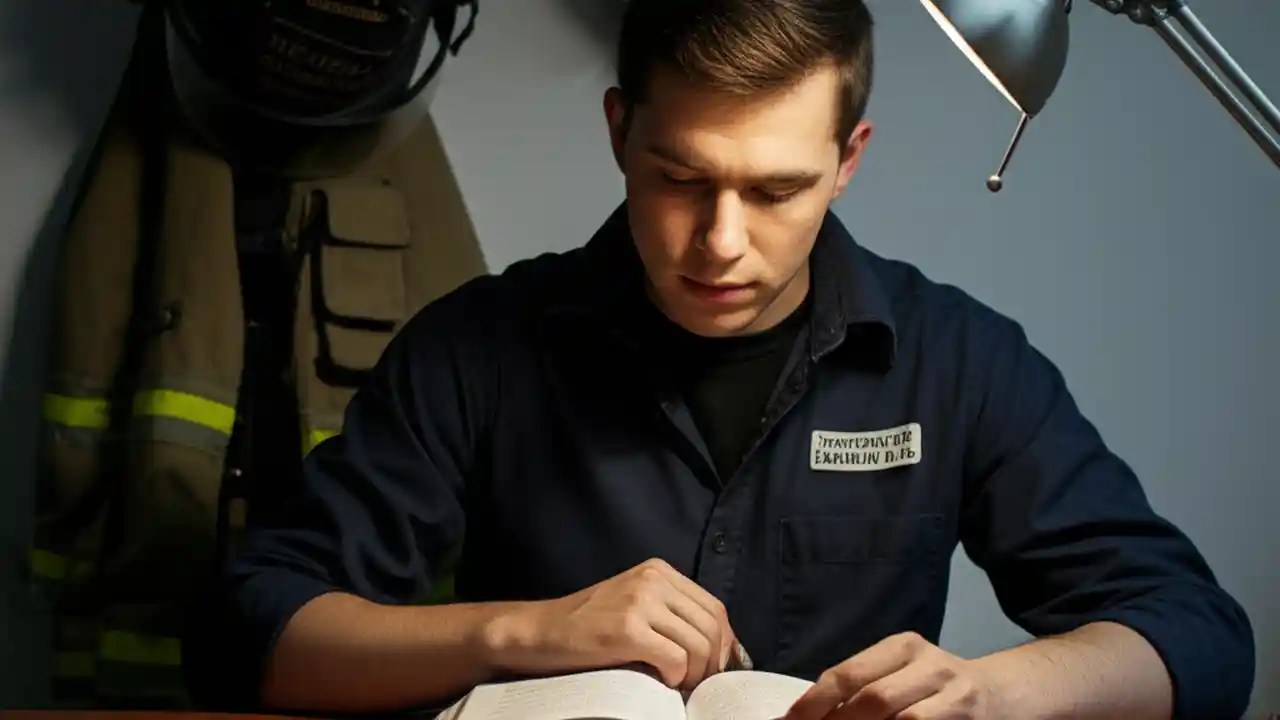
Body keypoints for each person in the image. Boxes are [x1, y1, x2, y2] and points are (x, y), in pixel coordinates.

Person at [184, 1, 1255, 718]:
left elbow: (1197, 639)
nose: (720, 242)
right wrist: (522, 631)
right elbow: (248, 630)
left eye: (775, 190)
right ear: (618, 134)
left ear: (847, 161)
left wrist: (992, 692)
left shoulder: (956, 359)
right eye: (679, 179)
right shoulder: (478, 348)